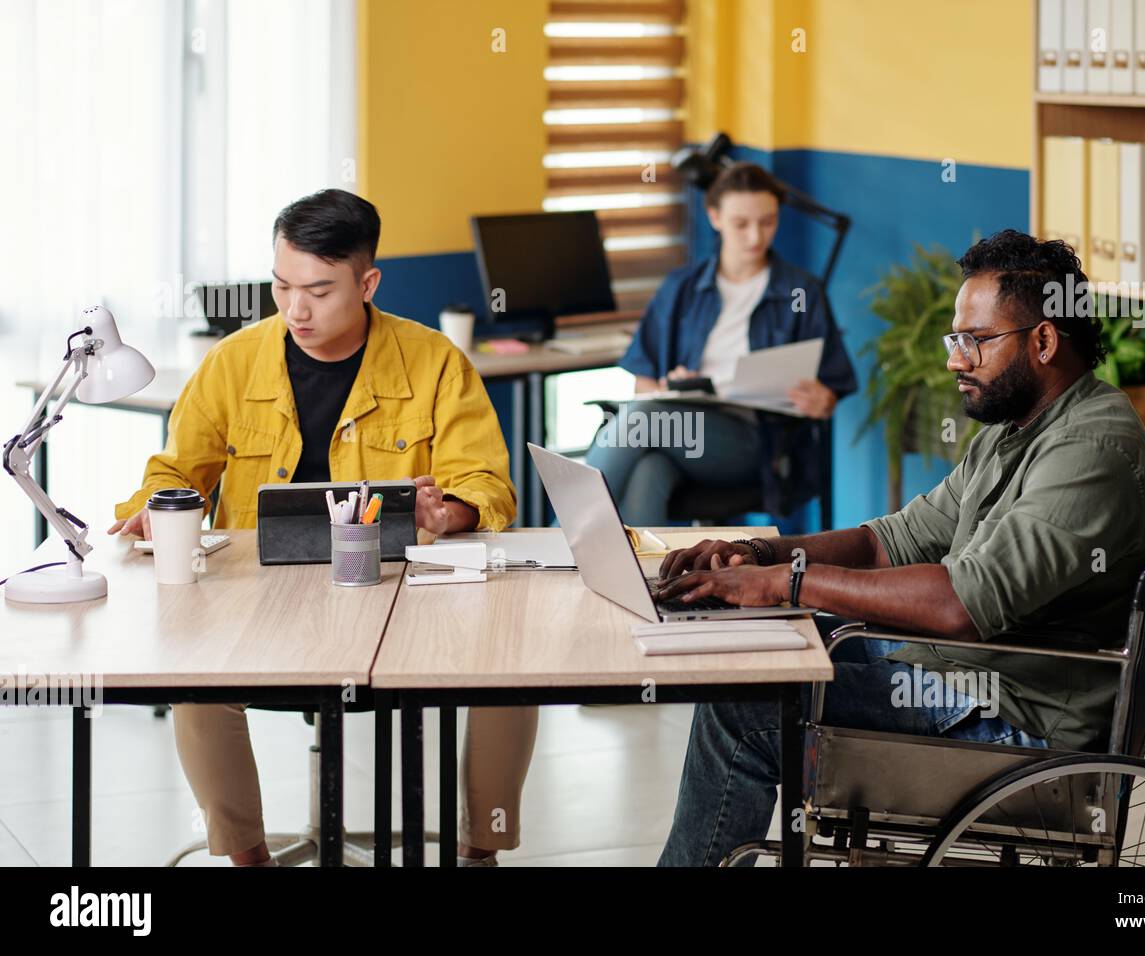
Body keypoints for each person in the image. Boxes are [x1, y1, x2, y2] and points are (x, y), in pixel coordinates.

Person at [651, 229, 1145, 866]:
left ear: (1044, 341)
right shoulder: (1013, 433)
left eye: (975, 341)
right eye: (954, 340)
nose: (955, 360)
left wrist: (788, 585)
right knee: (768, 647)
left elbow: (962, 602)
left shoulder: (1093, 452)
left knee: (742, 712)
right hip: (957, 676)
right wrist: (765, 554)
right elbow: (891, 543)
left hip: (1017, 724)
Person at [109, 189, 534, 867]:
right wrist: (157, 510)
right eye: (281, 287)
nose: (295, 310)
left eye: (318, 290)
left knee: (515, 668)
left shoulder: (434, 362)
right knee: (192, 681)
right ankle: (248, 856)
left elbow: (488, 484)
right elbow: (172, 471)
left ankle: (480, 849)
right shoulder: (233, 362)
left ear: (367, 284)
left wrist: (445, 511)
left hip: (396, 595)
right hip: (256, 595)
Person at [586, 162, 857, 525]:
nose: (755, 237)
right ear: (714, 217)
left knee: (640, 418)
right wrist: (671, 388)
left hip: (755, 443)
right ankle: (643, 581)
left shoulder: (801, 291)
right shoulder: (680, 287)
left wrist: (821, 400)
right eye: (741, 224)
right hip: (681, 431)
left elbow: (831, 391)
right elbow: (644, 384)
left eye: (767, 222)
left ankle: (560, 539)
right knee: (648, 470)